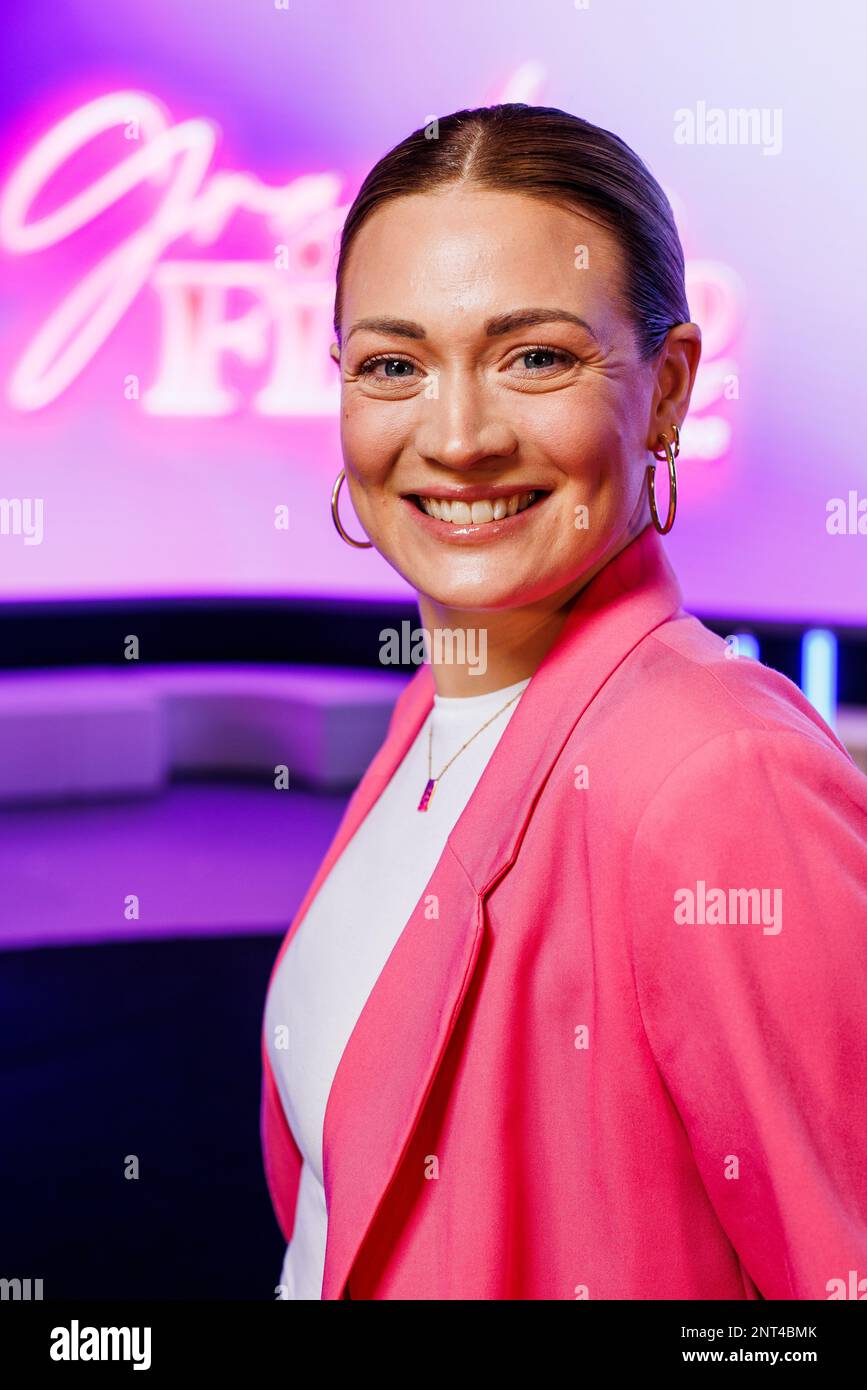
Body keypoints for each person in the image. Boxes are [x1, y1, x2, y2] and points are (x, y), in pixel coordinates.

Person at [260, 103, 867, 1300]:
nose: (459, 436)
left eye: (534, 356)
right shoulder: (439, 714)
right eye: (395, 364)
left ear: (669, 390)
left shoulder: (717, 777)